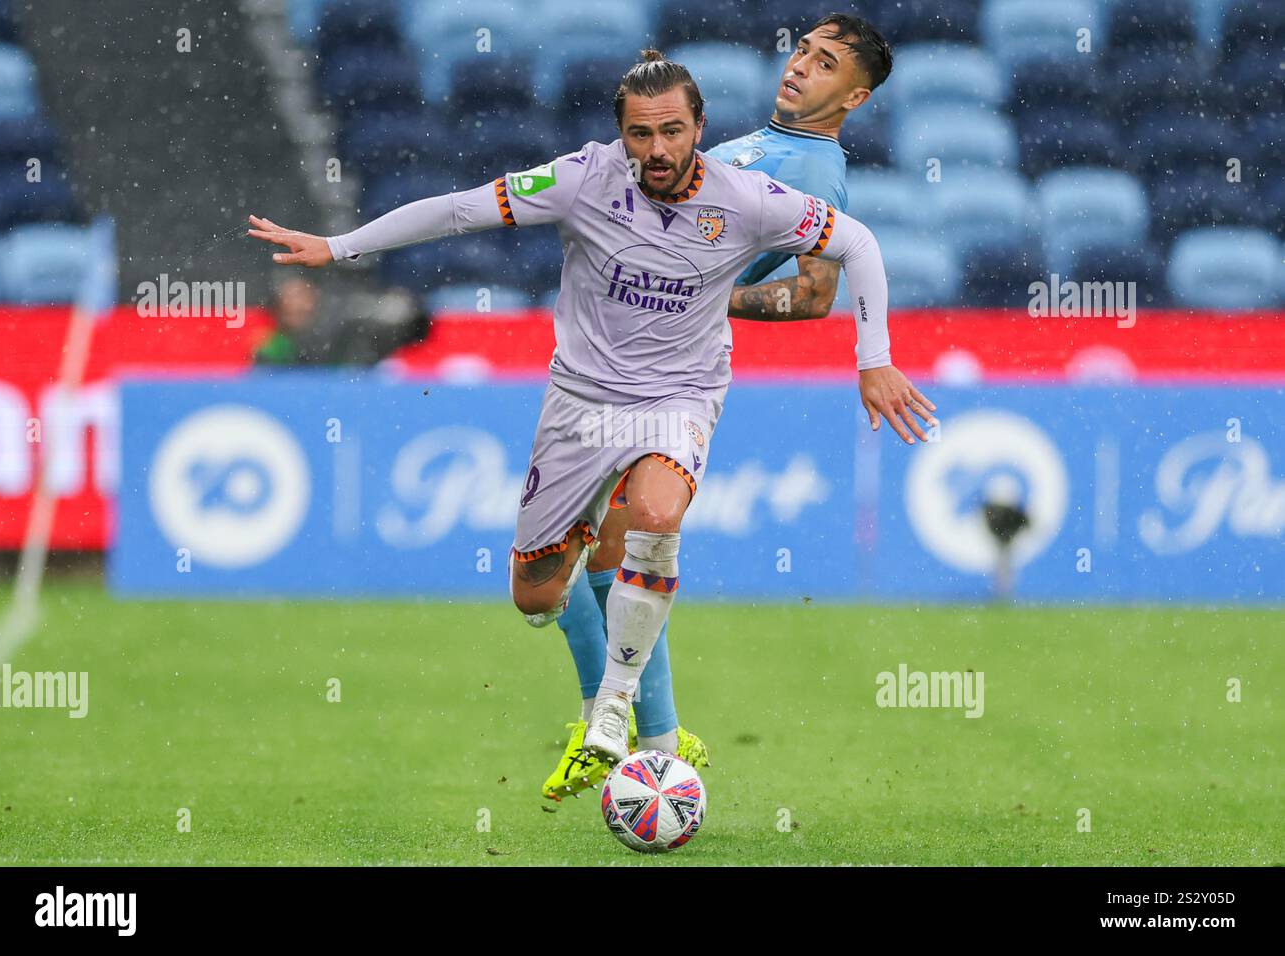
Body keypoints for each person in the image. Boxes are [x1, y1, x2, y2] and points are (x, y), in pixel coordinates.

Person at [246, 49, 936, 777]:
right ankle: (610, 689)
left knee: (658, 516)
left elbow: (856, 244)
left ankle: (613, 707)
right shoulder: (580, 180)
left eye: (673, 130)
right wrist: (339, 246)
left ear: (700, 127)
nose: (659, 149)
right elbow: (457, 211)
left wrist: (874, 358)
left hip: (681, 392)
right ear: (621, 137)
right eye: (641, 135)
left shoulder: (748, 198)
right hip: (581, 402)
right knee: (536, 594)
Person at [542, 13, 903, 804]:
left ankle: (618, 726)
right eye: (803, 48)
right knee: (601, 554)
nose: (801, 64)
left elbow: (814, 295)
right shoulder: (759, 146)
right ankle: (658, 736)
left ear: (857, 94)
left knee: (599, 552)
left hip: (664, 377)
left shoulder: (817, 171)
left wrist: (705, 298)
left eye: (827, 61)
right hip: (610, 358)